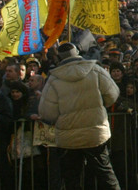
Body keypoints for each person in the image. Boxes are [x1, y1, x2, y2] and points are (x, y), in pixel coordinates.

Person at [38, 42, 121, 190]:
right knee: (106, 174)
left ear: (59, 57)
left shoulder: (54, 79)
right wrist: (100, 106)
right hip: (95, 132)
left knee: (72, 179)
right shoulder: (95, 70)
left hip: (68, 137)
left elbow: (47, 112)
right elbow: (112, 94)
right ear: (77, 52)